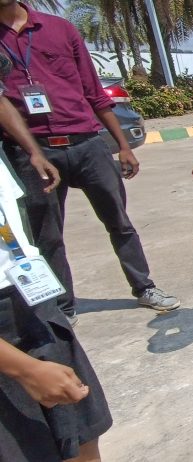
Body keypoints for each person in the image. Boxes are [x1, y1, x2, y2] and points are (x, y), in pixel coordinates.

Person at [0, 0, 179, 328]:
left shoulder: (59, 29)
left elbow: (94, 92)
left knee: (119, 220)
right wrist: (31, 152)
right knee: (47, 234)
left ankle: (144, 286)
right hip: (32, 151)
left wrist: (122, 145)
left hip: (85, 143)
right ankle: (63, 305)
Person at [0, 55, 112, 461]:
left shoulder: (8, 158)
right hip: (7, 341)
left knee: (84, 431)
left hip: (31, 297)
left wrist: (32, 151)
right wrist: (24, 369)